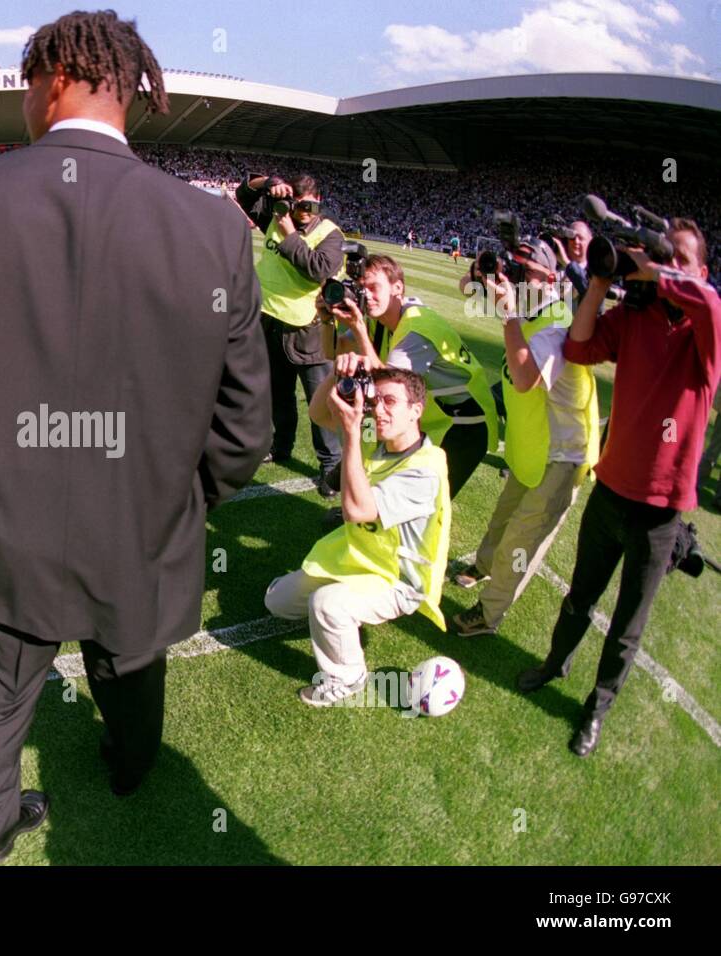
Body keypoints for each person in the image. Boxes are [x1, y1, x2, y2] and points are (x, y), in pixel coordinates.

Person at [0, 9, 270, 863]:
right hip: (141, 526)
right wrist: (175, 500)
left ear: (57, 77)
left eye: (27, 81)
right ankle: (130, 772)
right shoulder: (215, 230)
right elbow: (245, 429)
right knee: (131, 670)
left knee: (3, 685)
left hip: (5, 528)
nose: (23, 100)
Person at [517, 218, 721, 757]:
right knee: (579, 597)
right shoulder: (639, 316)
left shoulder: (705, 330)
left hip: (660, 514)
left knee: (628, 624)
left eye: (677, 258)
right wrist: (603, 280)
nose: (661, 266)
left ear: (700, 271)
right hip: (610, 491)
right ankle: (553, 664)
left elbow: (709, 303)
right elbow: (580, 346)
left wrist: (654, 266)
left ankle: (596, 709)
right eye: (660, 256)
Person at [265, 361, 450, 706]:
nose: (379, 410)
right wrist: (338, 373)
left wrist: (351, 435)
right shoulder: (376, 436)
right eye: (375, 400)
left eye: (390, 402)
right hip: (358, 560)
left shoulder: (425, 469)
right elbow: (320, 414)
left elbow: (356, 511)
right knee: (276, 602)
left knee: (327, 604)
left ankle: (347, 677)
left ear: (416, 410)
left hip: (397, 581)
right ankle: (346, 614)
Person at [450, 239, 600, 636]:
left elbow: (524, 379)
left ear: (549, 279)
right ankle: (482, 566)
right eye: (513, 270)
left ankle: (490, 611)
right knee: (503, 514)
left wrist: (508, 313)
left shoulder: (554, 324)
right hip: (533, 444)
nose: (515, 279)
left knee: (522, 538)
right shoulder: (528, 305)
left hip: (562, 454)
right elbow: (464, 287)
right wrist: (486, 273)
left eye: (524, 272)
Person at [332, 254, 497, 499]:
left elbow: (388, 385)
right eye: (361, 289)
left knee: (431, 499)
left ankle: (365, 500)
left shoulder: (416, 329)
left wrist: (359, 329)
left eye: (373, 287)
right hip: (434, 414)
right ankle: (364, 498)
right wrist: (326, 320)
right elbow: (331, 350)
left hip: (467, 424)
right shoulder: (382, 317)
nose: (366, 296)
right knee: (388, 456)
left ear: (397, 288)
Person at [233, 169, 343, 495]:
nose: (303, 211)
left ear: (319, 202)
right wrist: (268, 185)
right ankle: (281, 447)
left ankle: (330, 465)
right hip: (269, 322)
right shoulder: (277, 213)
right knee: (278, 394)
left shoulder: (330, 233)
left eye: (309, 206)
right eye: (297, 204)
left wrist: (290, 233)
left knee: (319, 402)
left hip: (308, 330)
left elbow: (319, 270)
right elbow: (244, 195)